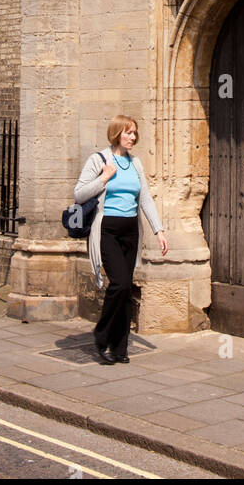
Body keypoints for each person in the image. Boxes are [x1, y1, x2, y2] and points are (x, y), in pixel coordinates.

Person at [73, 115, 168, 364]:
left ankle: (119, 348)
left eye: (135, 133)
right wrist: (104, 177)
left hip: (130, 232)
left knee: (125, 291)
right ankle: (102, 333)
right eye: (128, 133)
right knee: (120, 284)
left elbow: (145, 197)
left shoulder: (135, 164)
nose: (133, 137)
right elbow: (79, 194)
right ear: (117, 134)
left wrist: (159, 230)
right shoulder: (100, 160)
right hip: (108, 231)